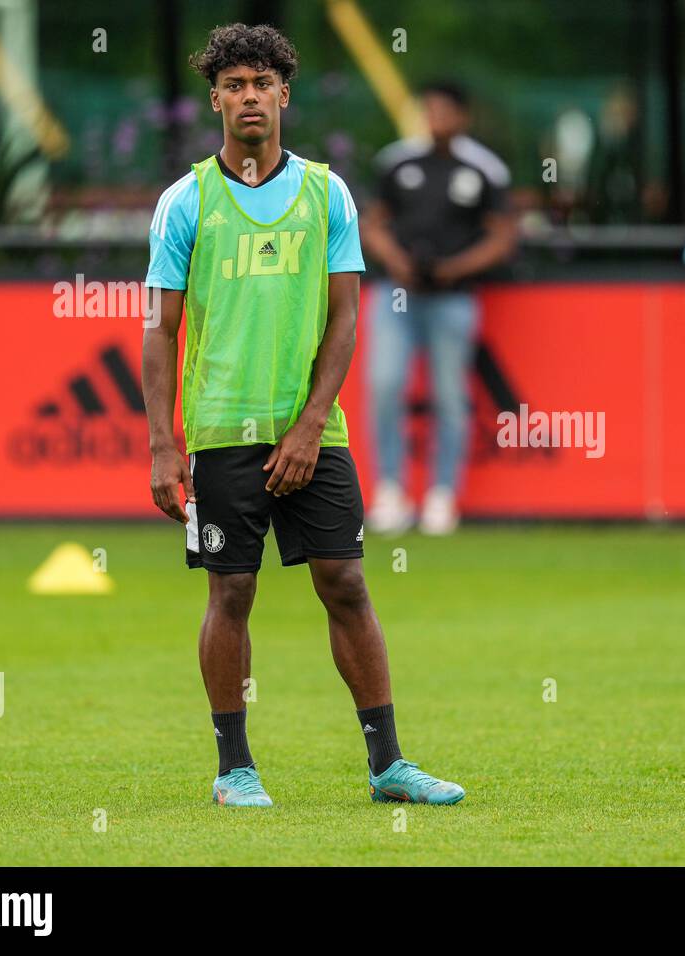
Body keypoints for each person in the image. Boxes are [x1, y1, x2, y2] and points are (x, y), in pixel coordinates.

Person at [142, 23, 464, 807]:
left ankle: (388, 764)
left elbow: (346, 318)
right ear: (214, 98)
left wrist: (312, 422)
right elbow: (158, 329)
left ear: (284, 94)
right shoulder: (185, 201)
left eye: (263, 83)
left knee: (346, 581)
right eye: (234, 84)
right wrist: (161, 446)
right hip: (220, 431)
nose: (249, 96)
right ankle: (234, 771)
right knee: (232, 594)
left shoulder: (328, 193)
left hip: (313, 434)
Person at [360, 81, 518, 536]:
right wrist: (398, 260)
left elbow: (503, 236)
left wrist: (455, 267)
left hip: (454, 296)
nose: (435, 119)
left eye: (444, 111)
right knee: (385, 385)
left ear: (462, 117)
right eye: (428, 110)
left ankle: (442, 494)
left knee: (450, 396)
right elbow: (373, 225)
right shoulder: (398, 161)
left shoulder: (483, 169)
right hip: (398, 292)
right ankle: (390, 489)